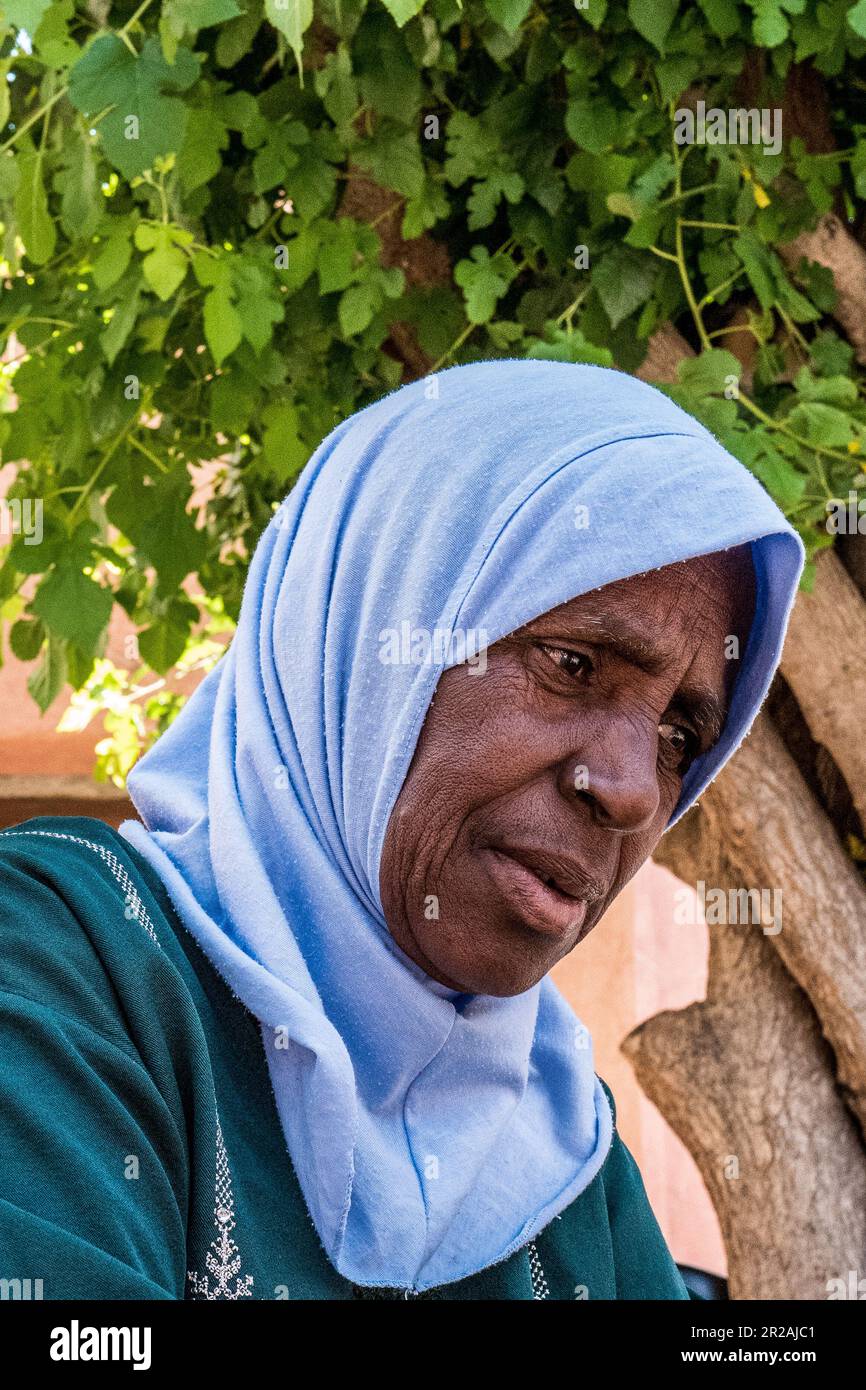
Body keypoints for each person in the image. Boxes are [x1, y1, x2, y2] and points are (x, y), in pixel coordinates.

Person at [0, 360, 803, 1299]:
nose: (629, 791)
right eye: (573, 663)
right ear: (377, 623)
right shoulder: (64, 963)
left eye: (680, 739)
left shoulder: (559, 1157)